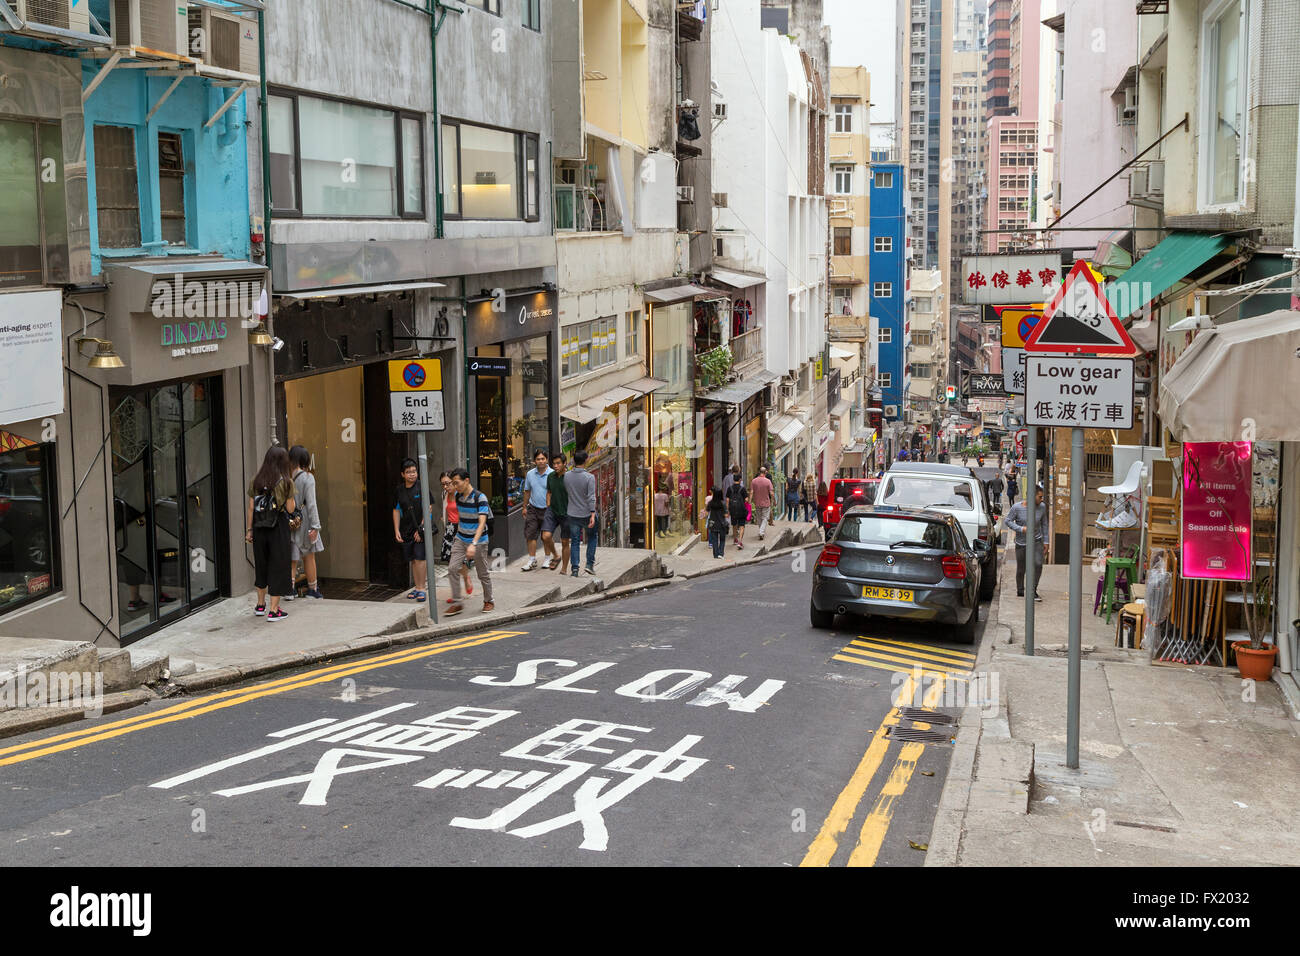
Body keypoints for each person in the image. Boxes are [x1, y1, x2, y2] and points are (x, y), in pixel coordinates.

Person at [245, 446, 297, 621]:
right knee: (278, 565)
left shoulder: (256, 480)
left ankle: (260, 605)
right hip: (278, 527)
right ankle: (274, 611)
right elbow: (290, 508)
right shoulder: (286, 482)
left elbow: (251, 508)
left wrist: (249, 530)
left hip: (259, 527)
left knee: (261, 565)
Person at [446, 467, 493, 615]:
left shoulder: (480, 498)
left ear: (466, 481)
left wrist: (473, 543)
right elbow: (461, 517)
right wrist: (458, 535)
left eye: (456, 483)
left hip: (478, 541)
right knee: (452, 569)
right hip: (461, 538)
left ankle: (488, 600)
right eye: (453, 483)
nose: (454, 486)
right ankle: (457, 602)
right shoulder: (459, 497)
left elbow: (482, 523)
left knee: (482, 573)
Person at [393, 458, 433, 603]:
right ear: (403, 474)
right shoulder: (399, 490)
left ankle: (422, 589)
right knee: (413, 560)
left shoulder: (422, 487)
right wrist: (396, 529)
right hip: (406, 529)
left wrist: (421, 529)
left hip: (420, 529)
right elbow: (396, 510)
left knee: (420, 557)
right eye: (408, 472)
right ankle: (417, 587)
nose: (412, 474)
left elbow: (428, 509)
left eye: (414, 471)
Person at [287, 445, 324, 600]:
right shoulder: (308, 478)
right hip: (306, 521)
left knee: (292, 557)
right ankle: (312, 590)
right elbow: (312, 503)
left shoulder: (287, 477)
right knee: (309, 556)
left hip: (290, 521)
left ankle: (290, 590)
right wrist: (316, 526)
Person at [1005, 484, 1046, 601]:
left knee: (1038, 564)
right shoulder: (1017, 508)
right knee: (1021, 568)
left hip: (1037, 541)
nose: (1042, 499)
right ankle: (1020, 589)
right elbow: (1007, 521)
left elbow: (1044, 524)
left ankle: (1033, 590)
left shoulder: (1042, 507)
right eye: (1040, 497)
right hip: (1021, 543)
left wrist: (1046, 542)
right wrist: (1021, 529)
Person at [520, 449, 558, 571]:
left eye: (543, 459)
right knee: (530, 535)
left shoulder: (553, 474)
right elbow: (527, 491)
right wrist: (524, 507)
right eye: (538, 459)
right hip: (533, 508)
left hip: (548, 510)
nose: (541, 461)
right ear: (534, 461)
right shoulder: (530, 474)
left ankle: (547, 558)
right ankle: (532, 560)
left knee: (545, 536)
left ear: (546, 460)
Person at [439, 472, 474, 603]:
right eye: (443, 484)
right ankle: (456, 593)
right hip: (450, 529)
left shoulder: (462, 495)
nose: (446, 487)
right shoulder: (445, 495)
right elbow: (445, 511)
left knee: (461, 561)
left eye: (448, 483)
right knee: (451, 562)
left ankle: (465, 578)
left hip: (462, 529)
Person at [564, 449, 598, 576]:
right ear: (585, 461)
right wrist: (593, 514)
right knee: (593, 537)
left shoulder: (566, 476)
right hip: (586, 513)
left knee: (575, 540)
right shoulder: (589, 477)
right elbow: (591, 497)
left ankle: (574, 569)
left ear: (574, 461)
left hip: (572, 513)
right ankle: (589, 564)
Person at [543, 454, 570, 573]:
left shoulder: (570, 478)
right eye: (554, 464)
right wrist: (548, 504)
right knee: (546, 536)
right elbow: (549, 492)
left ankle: (564, 569)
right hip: (552, 510)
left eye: (558, 463)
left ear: (565, 463)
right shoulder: (550, 477)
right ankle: (555, 555)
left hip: (567, 513)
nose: (556, 466)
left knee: (565, 542)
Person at [701, 486, 728, 558]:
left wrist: (702, 516)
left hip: (712, 523)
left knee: (714, 540)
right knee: (722, 539)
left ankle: (715, 554)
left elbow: (706, 513)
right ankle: (720, 553)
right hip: (721, 523)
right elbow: (726, 515)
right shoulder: (723, 503)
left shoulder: (710, 503)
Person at [750, 466, 774, 540]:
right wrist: (774, 500)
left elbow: (751, 492)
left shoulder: (753, 481)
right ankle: (761, 532)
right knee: (765, 518)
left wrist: (749, 502)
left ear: (759, 472)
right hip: (766, 502)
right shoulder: (768, 481)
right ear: (765, 472)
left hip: (757, 502)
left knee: (759, 518)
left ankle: (761, 531)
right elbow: (771, 493)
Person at [727, 475, 748, 549]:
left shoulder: (730, 488)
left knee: (734, 524)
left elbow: (727, 500)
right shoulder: (743, 489)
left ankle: (735, 539)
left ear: (733, 479)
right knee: (742, 525)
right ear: (740, 480)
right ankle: (740, 542)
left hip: (733, 509)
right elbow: (746, 500)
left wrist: (728, 510)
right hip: (741, 509)